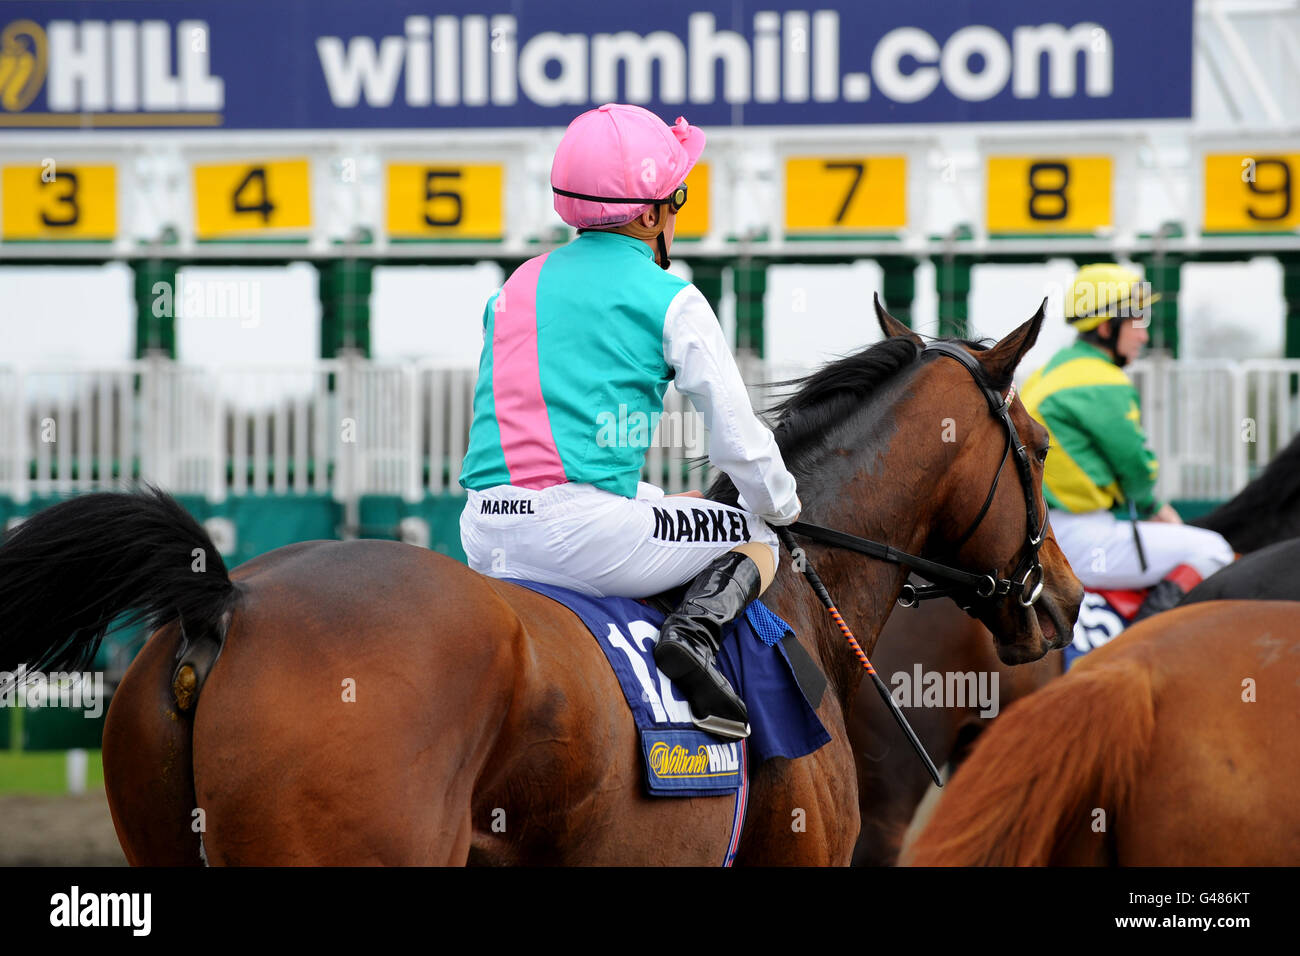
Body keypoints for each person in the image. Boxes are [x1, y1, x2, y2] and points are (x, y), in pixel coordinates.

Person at [458, 104, 801, 738]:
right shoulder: (673, 299)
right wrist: (783, 503)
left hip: (486, 528)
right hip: (577, 533)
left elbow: (545, 453)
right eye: (678, 201)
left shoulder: (516, 286)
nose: (676, 216)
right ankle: (691, 641)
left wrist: (654, 498)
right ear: (649, 215)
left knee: (674, 501)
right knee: (757, 532)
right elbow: (738, 445)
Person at [1020, 263, 1234, 619]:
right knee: (1214, 550)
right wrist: (1157, 509)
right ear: (1106, 327)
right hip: (1080, 538)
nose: (1144, 335)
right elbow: (1135, 470)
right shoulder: (1101, 379)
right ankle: (1144, 638)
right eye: (1137, 322)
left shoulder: (1046, 373)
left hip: (1044, 534)